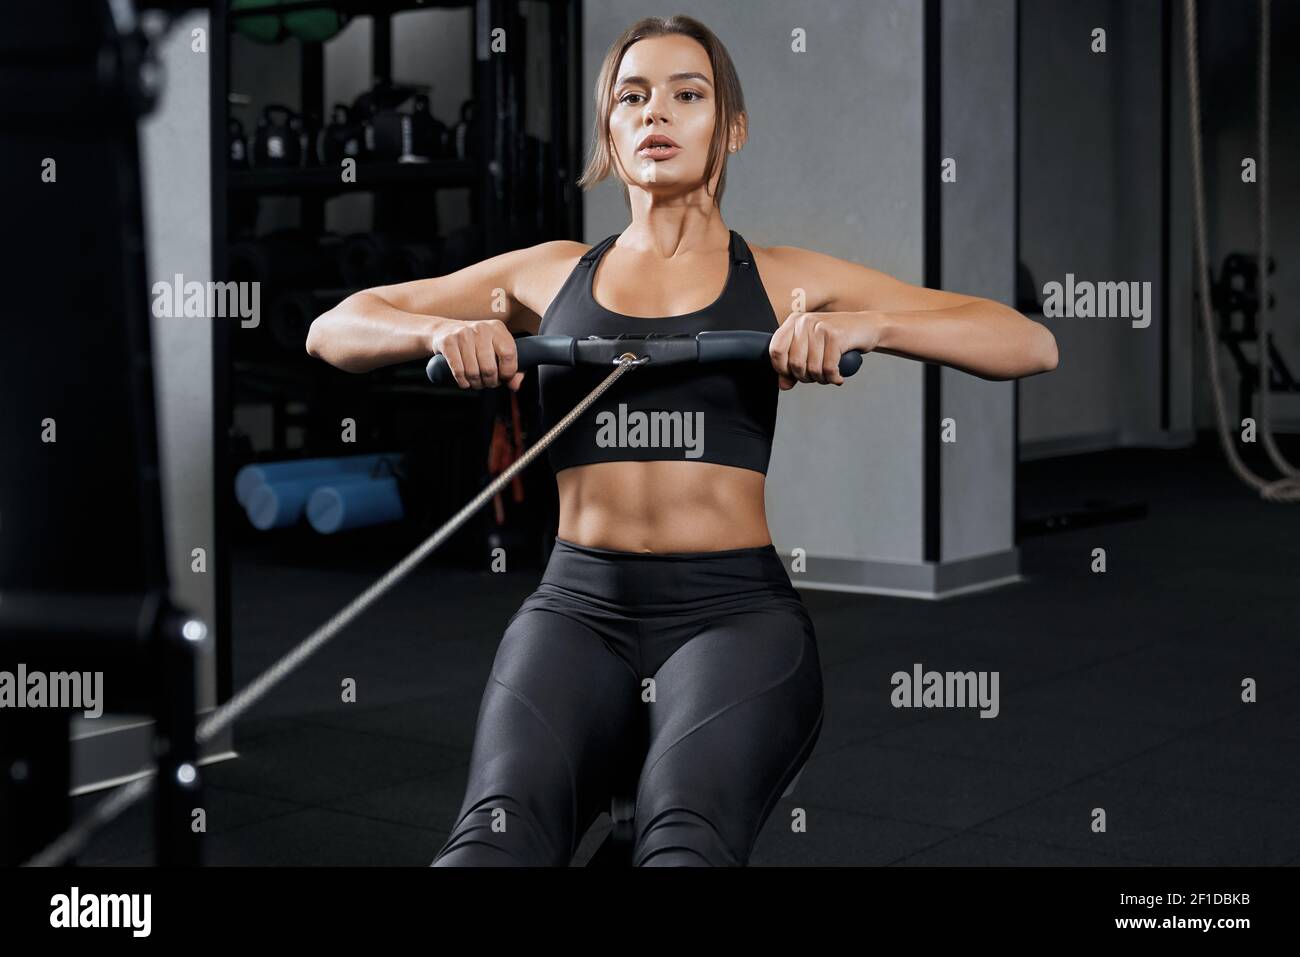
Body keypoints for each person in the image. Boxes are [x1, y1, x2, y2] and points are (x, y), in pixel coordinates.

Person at [305, 14, 1057, 866]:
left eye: (685, 94)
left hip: (734, 615)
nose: (654, 111)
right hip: (575, 609)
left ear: (729, 126)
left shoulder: (778, 277)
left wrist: (868, 324)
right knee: (489, 844)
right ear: (610, 130)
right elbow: (335, 327)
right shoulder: (548, 274)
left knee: (682, 847)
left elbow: (1028, 340)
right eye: (632, 96)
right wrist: (435, 338)